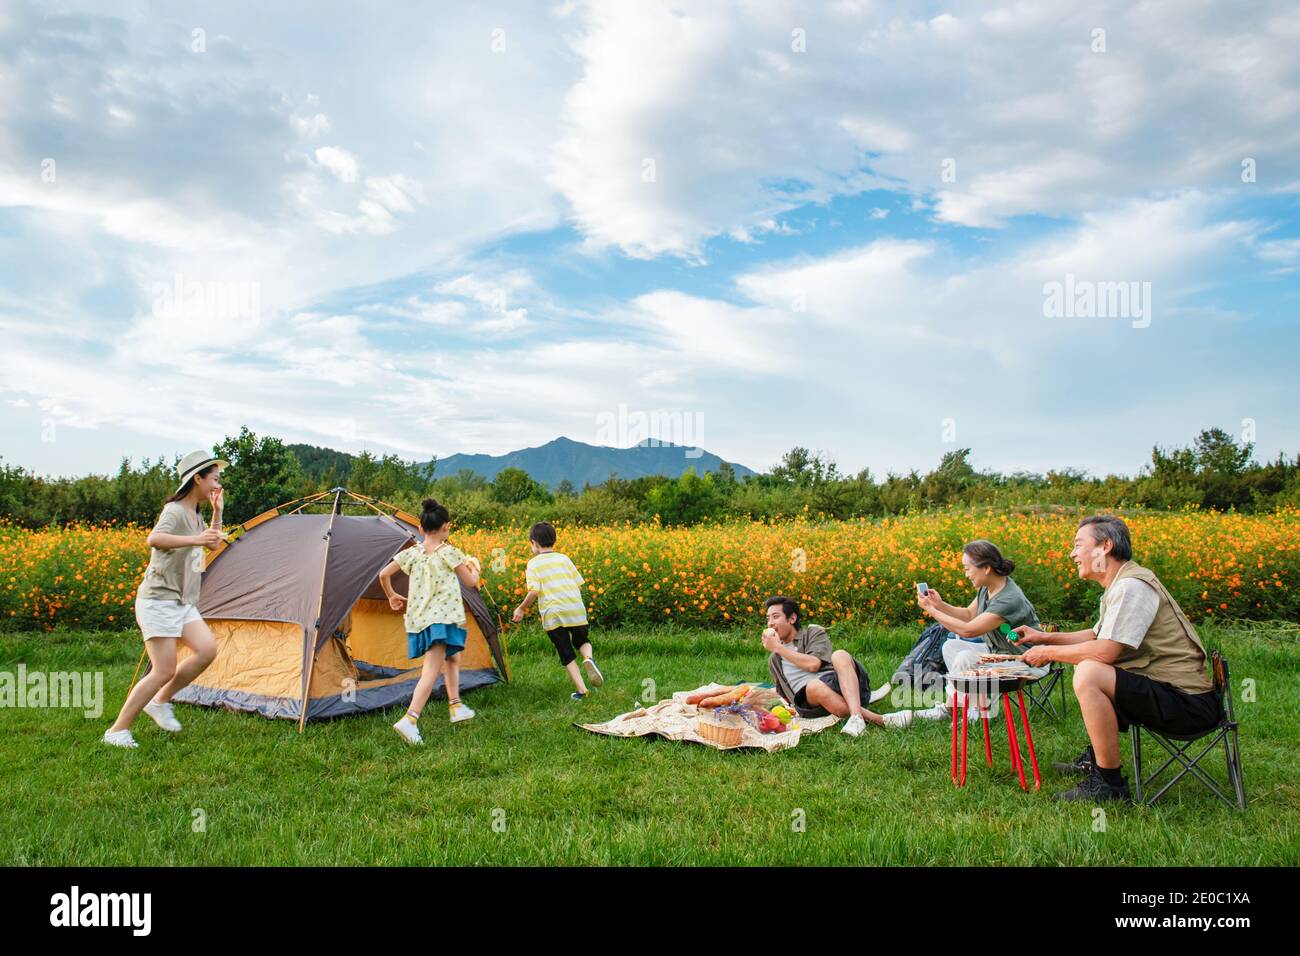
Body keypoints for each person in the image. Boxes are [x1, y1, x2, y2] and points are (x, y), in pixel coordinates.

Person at [1016, 515, 1221, 802]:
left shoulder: (1130, 587)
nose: (1072, 553)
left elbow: (1105, 651)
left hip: (1188, 704)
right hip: (1176, 694)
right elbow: (1096, 636)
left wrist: (1048, 653)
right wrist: (1042, 637)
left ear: (1105, 547)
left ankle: (1108, 785)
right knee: (1093, 668)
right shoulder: (1123, 583)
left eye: (1078, 545)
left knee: (1090, 672)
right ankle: (1095, 761)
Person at [103, 450, 228, 748]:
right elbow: (154, 540)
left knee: (207, 650)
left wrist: (217, 513)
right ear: (197, 478)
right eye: (215, 478)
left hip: (182, 601)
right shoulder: (174, 511)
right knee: (163, 669)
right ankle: (117, 731)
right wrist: (197, 539)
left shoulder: (196, 514)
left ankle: (159, 701)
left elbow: (209, 544)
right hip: (157, 600)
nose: (217, 484)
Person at [893, 539, 1041, 727]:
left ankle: (963, 709)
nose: (966, 574)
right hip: (999, 653)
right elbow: (970, 615)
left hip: (1027, 659)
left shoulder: (1008, 599)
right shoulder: (989, 588)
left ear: (986, 568)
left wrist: (931, 610)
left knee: (965, 656)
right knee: (952, 646)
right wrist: (940, 605)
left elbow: (969, 630)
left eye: (967, 568)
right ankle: (963, 706)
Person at [382, 498, 482, 743]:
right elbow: (471, 583)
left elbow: (383, 574)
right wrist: (475, 567)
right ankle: (410, 719)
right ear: (447, 527)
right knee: (431, 669)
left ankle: (455, 704)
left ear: (420, 528)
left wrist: (392, 595)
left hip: (422, 618)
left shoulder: (412, 553)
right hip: (442, 618)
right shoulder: (449, 552)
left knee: (452, 657)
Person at [763, 596, 894, 736]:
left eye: (775, 617)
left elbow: (814, 664)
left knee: (839, 655)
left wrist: (778, 648)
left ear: (792, 618)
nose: (770, 623)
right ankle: (880, 719)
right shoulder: (774, 660)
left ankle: (856, 717)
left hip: (838, 683)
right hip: (811, 701)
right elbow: (784, 693)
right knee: (813, 686)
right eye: (768, 618)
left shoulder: (812, 634)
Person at [512, 522, 602, 701]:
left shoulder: (533, 564)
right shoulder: (564, 559)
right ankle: (588, 658)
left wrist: (521, 608)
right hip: (575, 609)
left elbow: (534, 591)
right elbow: (578, 584)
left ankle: (582, 690)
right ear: (554, 541)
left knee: (566, 652)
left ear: (534, 543)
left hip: (553, 614)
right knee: (582, 640)